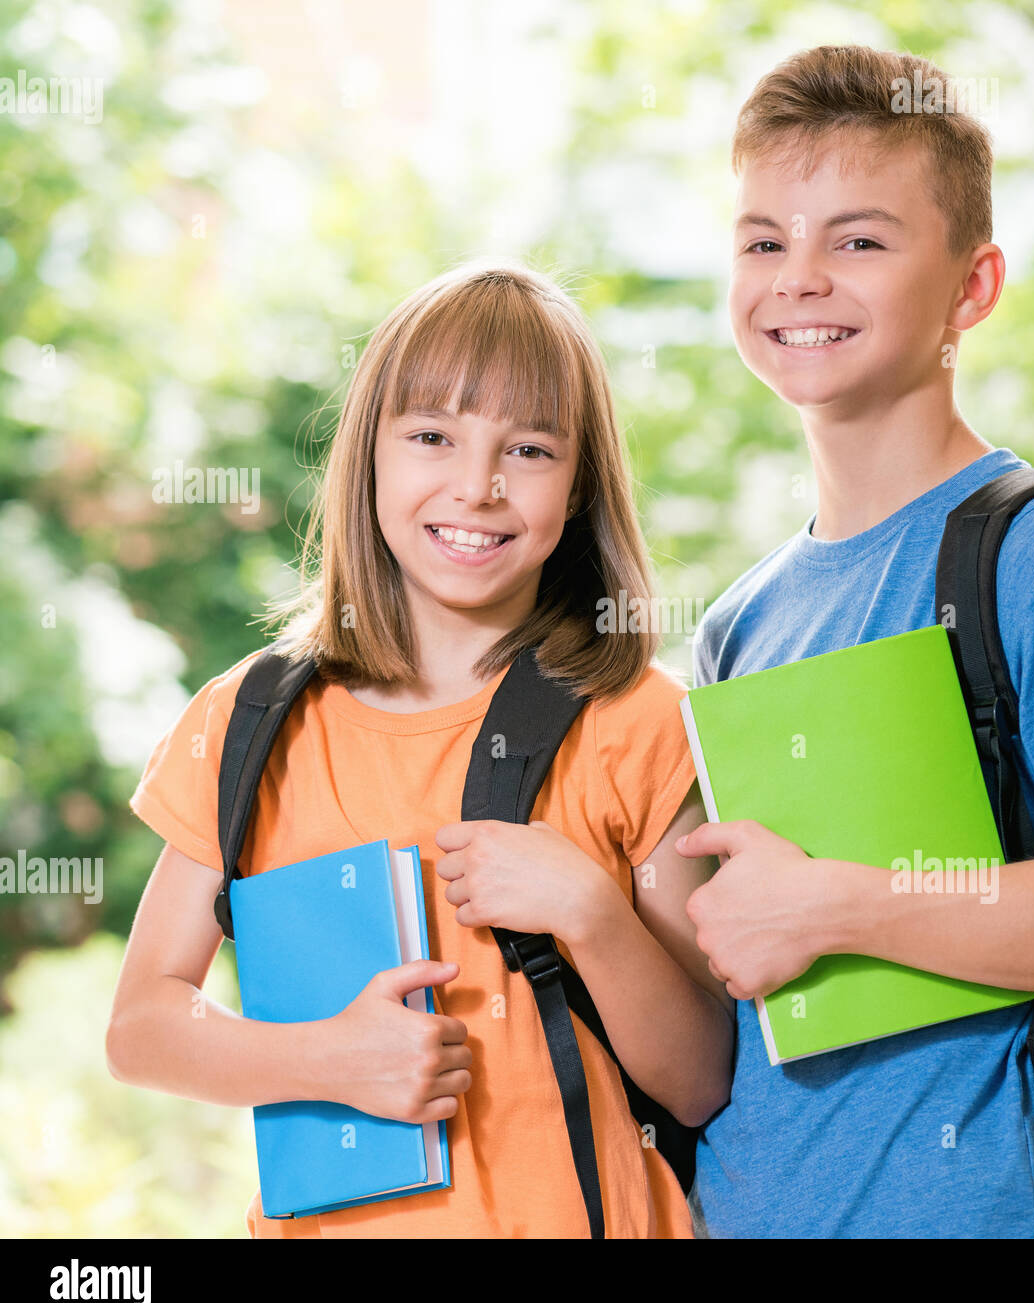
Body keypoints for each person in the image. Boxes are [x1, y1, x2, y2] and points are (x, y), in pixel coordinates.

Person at [674, 44, 1034, 1238]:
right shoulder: (734, 624)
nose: (798, 279)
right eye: (763, 241)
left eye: (857, 241)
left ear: (973, 288)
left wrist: (833, 908)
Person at [107, 259, 733, 1238]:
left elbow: (701, 1081)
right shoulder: (249, 720)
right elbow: (142, 1026)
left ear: (577, 491)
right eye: (432, 436)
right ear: (372, 458)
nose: (475, 487)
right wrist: (328, 1058)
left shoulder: (637, 719)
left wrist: (591, 913)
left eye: (528, 450)